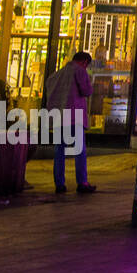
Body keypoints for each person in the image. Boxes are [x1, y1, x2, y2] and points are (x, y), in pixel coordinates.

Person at [44, 50, 95, 194]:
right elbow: (87, 91)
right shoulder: (79, 71)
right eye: (87, 65)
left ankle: (59, 184)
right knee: (79, 150)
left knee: (59, 150)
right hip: (75, 117)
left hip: (59, 117)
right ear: (84, 62)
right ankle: (82, 182)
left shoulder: (55, 75)